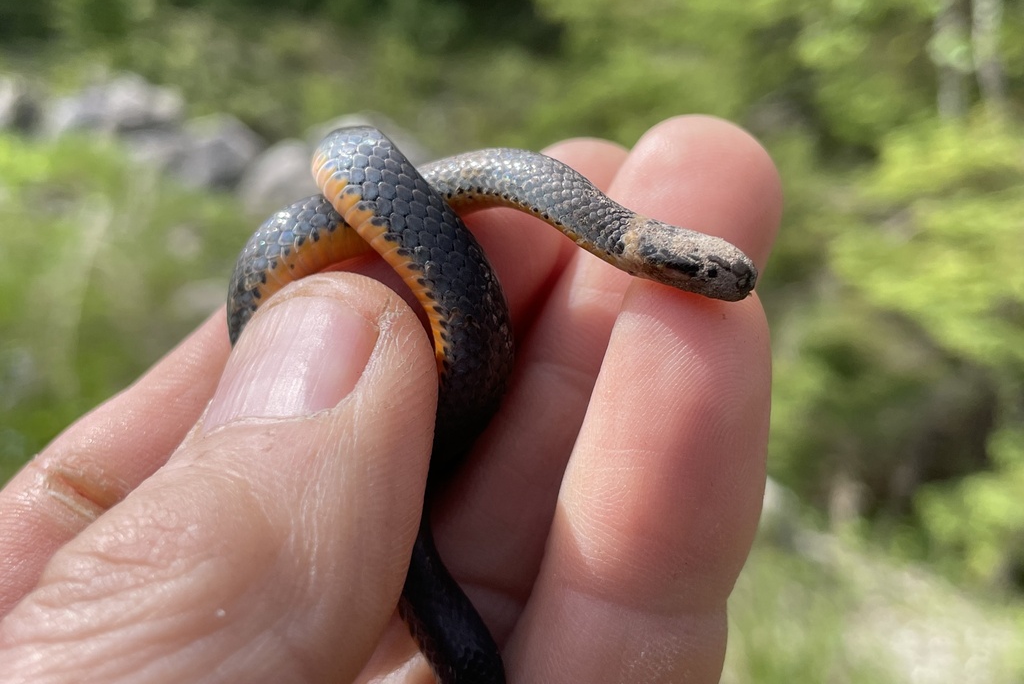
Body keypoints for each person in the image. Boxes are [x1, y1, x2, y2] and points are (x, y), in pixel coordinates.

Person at [0, 116, 781, 683]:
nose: (720, 283)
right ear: (653, 255)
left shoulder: (602, 235)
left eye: (706, 274)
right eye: (701, 271)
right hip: (349, 188)